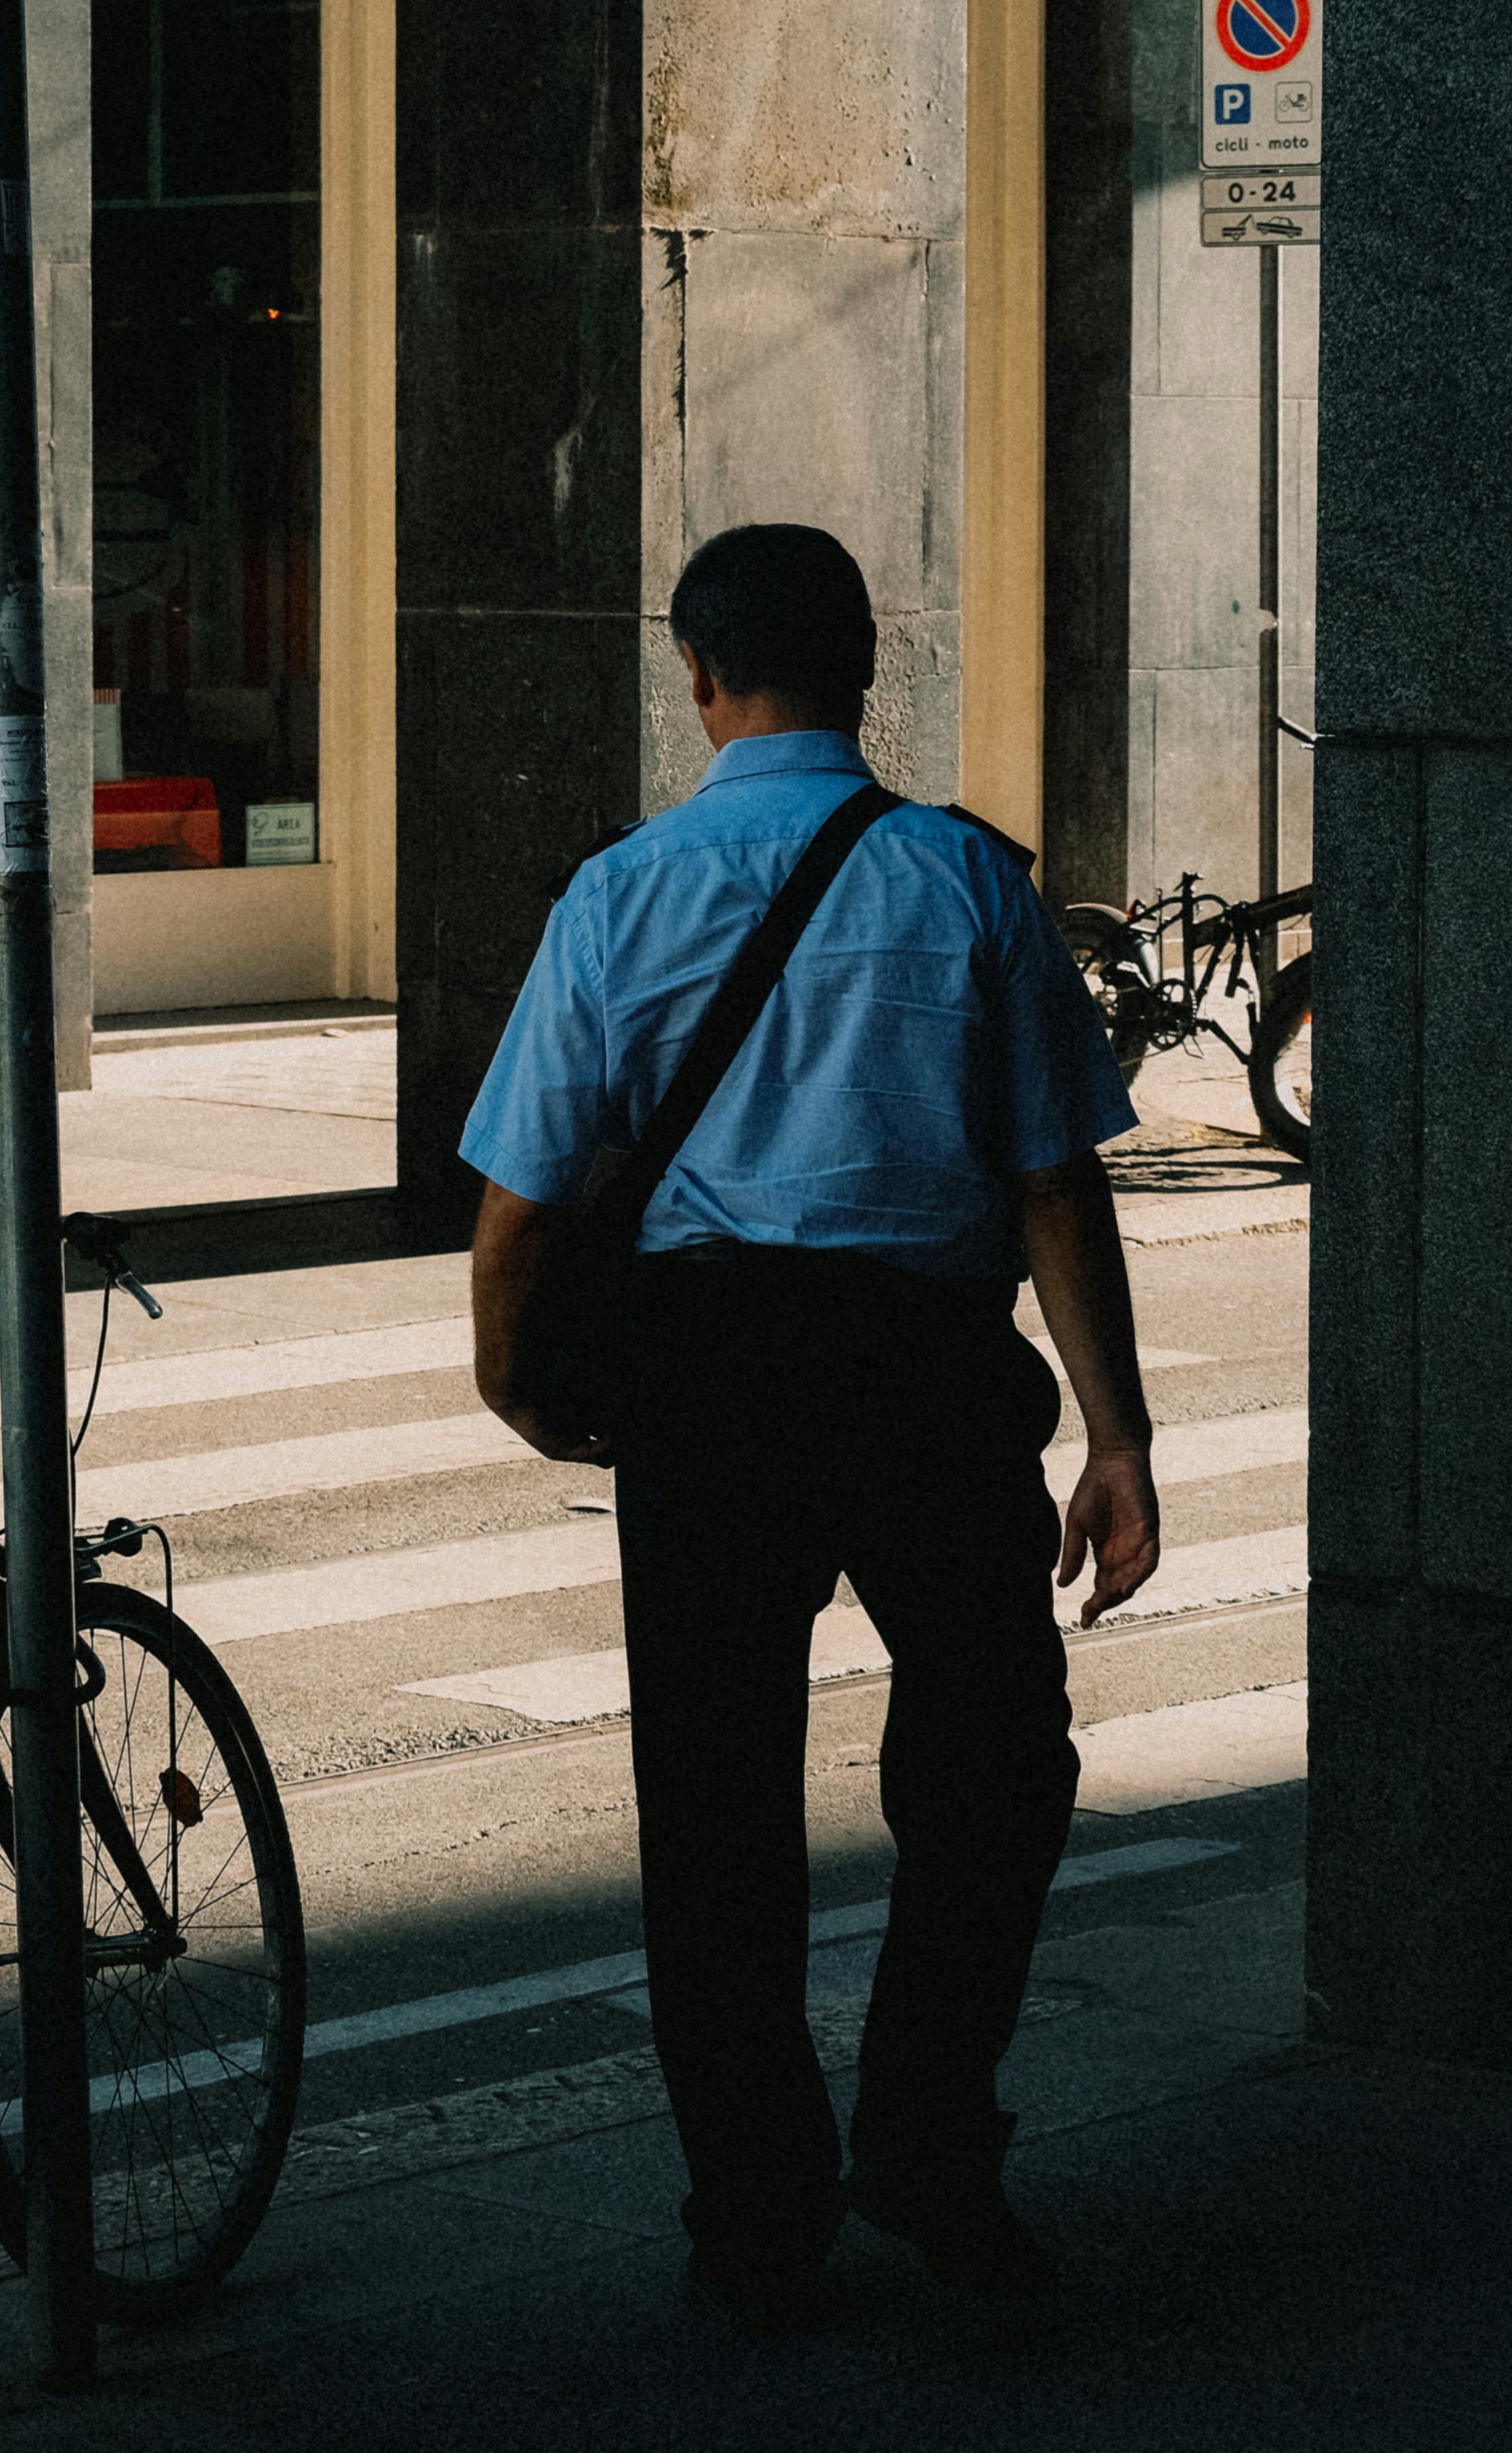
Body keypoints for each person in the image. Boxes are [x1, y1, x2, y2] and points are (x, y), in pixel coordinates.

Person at [460, 523, 1163, 2337]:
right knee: (995, 1782)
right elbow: (1052, 1186)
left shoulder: (620, 891)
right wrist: (1118, 1441)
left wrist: (515, 1376)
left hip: (705, 1384)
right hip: (929, 1380)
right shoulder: (964, 882)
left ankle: (756, 2214)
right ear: (867, 668)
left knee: (712, 1815)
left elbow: (525, 1196)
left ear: (693, 678)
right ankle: (929, 2146)